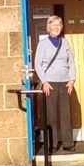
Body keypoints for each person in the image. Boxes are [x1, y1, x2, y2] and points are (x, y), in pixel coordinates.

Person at [31, 15, 76, 152]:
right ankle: (52, 144)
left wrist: (72, 79)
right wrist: (44, 81)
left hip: (65, 83)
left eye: (59, 25)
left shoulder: (65, 42)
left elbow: (71, 62)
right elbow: (37, 64)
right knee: (51, 115)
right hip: (49, 83)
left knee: (65, 114)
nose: (56, 27)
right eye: (53, 25)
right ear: (48, 27)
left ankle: (68, 143)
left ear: (62, 27)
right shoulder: (43, 44)